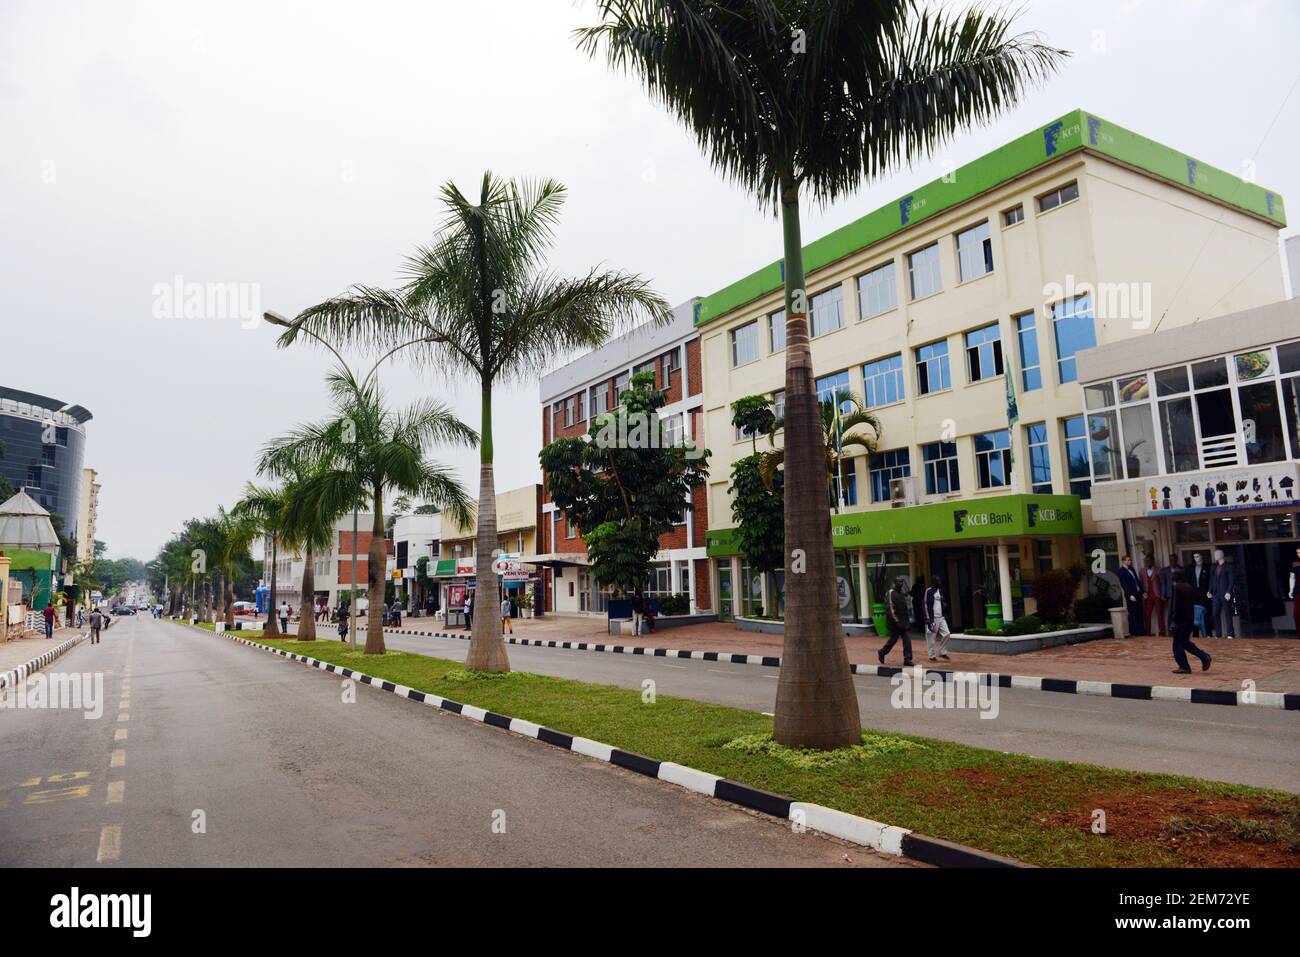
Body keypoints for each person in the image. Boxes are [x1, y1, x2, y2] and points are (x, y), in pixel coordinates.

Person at [1168, 569, 1211, 674]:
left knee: (1177, 644)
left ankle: (1184, 666)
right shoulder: (1188, 586)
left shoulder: (1177, 587)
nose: (1171, 576)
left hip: (1180, 620)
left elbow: (1175, 605)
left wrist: (1173, 620)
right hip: (1189, 619)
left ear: (1178, 576)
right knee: (1185, 642)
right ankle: (1204, 656)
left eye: (1173, 574)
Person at [877, 576, 914, 667]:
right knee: (893, 640)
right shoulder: (890, 593)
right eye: (899, 582)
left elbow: (904, 609)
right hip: (894, 623)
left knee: (907, 640)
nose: (901, 583)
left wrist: (906, 622)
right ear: (894, 583)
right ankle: (882, 652)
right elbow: (890, 609)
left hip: (903, 622)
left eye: (902, 582)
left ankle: (907, 658)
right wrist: (897, 622)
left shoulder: (901, 593)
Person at [922, 575, 951, 662]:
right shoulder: (929, 591)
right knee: (931, 638)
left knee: (947, 634)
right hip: (932, 618)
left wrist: (944, 604)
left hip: (941, 617)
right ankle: (931, 656)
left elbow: (941, 602)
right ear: (933, 582)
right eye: (938, 581)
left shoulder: (940, 591)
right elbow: (925, 605)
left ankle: (943, 652)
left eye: (940, 581)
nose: (940, 583)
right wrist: (928, 618)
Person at [1209, 549, 1235, 639]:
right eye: (1214, 554)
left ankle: (1230, 633)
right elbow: (1212, 580)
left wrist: (1228, 591)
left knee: (1227, 613)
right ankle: (1218, 633)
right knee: (1215, 613)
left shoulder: (1228, 567)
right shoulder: (1213, 566)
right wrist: (1210, 591)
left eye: (1217, 554)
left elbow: (1231, 581)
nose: (1215, 556)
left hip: (1225, 593)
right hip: (1216, 593)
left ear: (1221, 555)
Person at [1117, 554, 1145, 637]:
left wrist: (1142, 591)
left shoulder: (1132, 569)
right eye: (1128, 560)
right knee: (1133, 612)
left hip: (1138, 592)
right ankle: (1134, 630)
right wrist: (1130, 595)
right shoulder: (1121, 571)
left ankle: (1141, 630)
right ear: (1123, 561)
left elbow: (1137, 580)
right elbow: (1124, 584)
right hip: (1131, 595)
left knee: (1140, 612)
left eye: (1130, 560)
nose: (1130, 561)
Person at [1141, 554, 1165, 636]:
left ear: (1153, 561)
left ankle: (1162, 632)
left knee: (1160, 614)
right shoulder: (1142, 571)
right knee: (1147, 614)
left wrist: (1162, 594)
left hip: (1157, 595)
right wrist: (1143, 592)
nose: (1148, 562)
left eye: (1149, 560)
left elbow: (1162, 583)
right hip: (1148, 595)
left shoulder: (1158, 570)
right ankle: (1148, 632)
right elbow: (1141, 583)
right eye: (1146, 561)